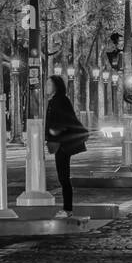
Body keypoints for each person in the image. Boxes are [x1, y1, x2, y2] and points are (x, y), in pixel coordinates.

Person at [44, 76, 88, 216]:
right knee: (63, 177)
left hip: (63, 144)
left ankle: (68, 209)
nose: (47, 86)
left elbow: (66, 120)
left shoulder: (60, 100)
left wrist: (54, 130)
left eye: (49, 84)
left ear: (56, 86)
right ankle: (67, 208)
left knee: (64, 178)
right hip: (60, 144)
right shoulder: (56, 100)